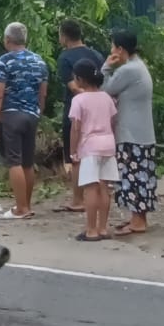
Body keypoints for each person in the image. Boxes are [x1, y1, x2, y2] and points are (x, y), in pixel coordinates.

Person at [0, 22, 48, 220]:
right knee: (28, 162)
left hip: (12, 115)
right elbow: (43, 93)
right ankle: (27, 205)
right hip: (32, 115)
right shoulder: (39, 61)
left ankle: (20, 208)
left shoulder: (4, 62)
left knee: (14, 161)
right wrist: (38, 112)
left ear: (7, 40)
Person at [103, 29, 157, 236]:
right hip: (141, 132)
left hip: (131, 133)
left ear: (120, 49)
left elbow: (105, 89)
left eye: (113, 46)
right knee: (139, 177)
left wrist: (107, 66)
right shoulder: (138, 66)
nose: (111, 50)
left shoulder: (129, 70)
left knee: (133, 177)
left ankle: (138, 222)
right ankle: (137, 218)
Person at [55, 20, 103, 213]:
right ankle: (98, 196)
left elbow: (74, 88)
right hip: (99, 111)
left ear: (64, 36)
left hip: (75, 112)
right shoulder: (97, 55)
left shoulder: (65, 58)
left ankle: (78, 199)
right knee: (96, 154)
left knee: (75, 156)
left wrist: (87, 101)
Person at [67, 59, 119, 242]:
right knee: (105, 187)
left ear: (80, 79)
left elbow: (76, 127)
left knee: (91, 188)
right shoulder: (106, 97)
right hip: (108, 144)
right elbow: (113, 121)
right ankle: (103, 228)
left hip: (90, 146)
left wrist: (73, 150)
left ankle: (90, 230)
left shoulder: (79, 99)